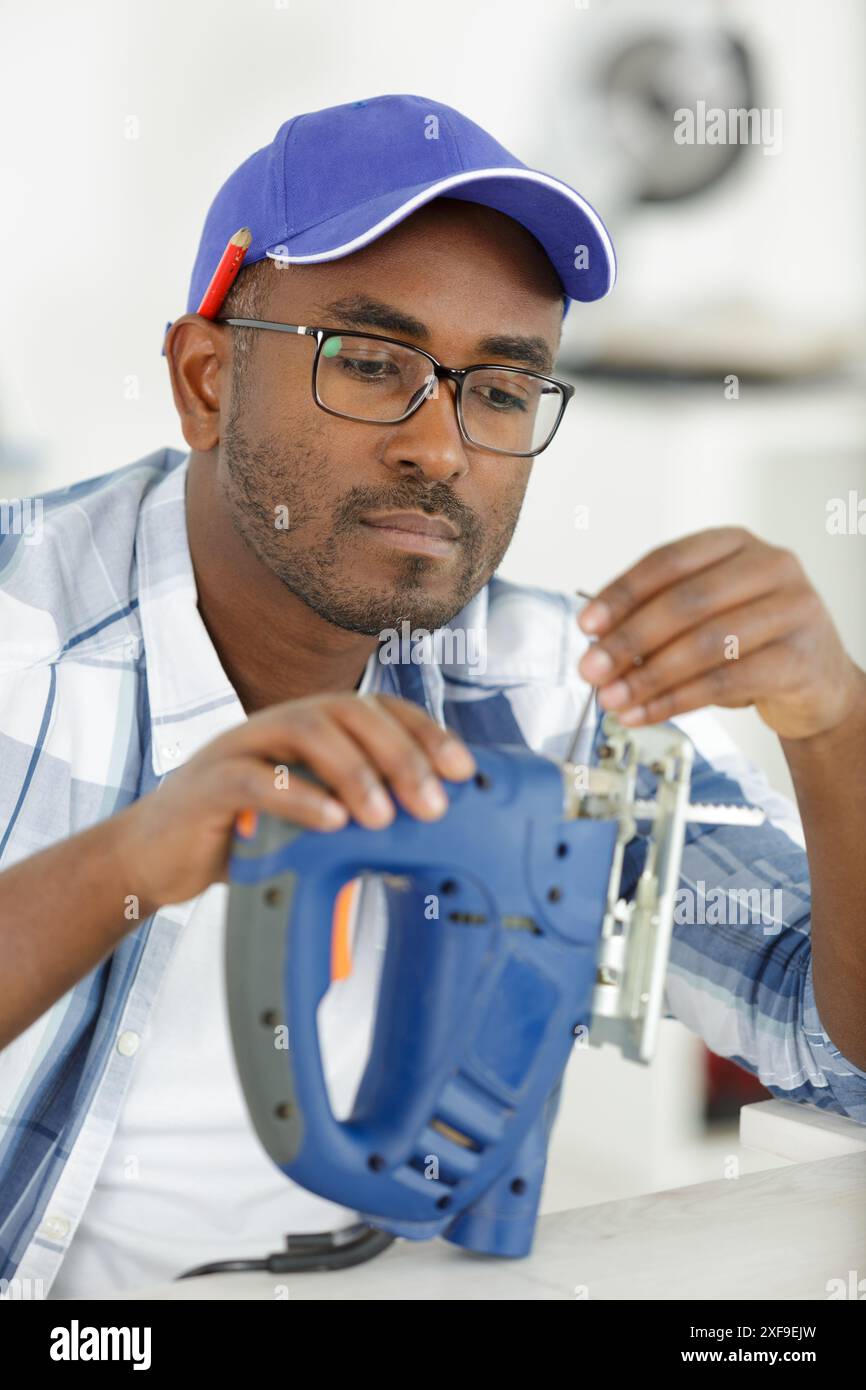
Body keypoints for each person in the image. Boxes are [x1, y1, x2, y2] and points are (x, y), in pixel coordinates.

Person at [1, 93, 864, 1300]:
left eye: (500, 390)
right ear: (205, 380)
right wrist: (126, 861)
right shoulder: (20, 622)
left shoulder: (548, 688)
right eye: (368, 363)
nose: (441, 447)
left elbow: (833, 1042)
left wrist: (836, 729)